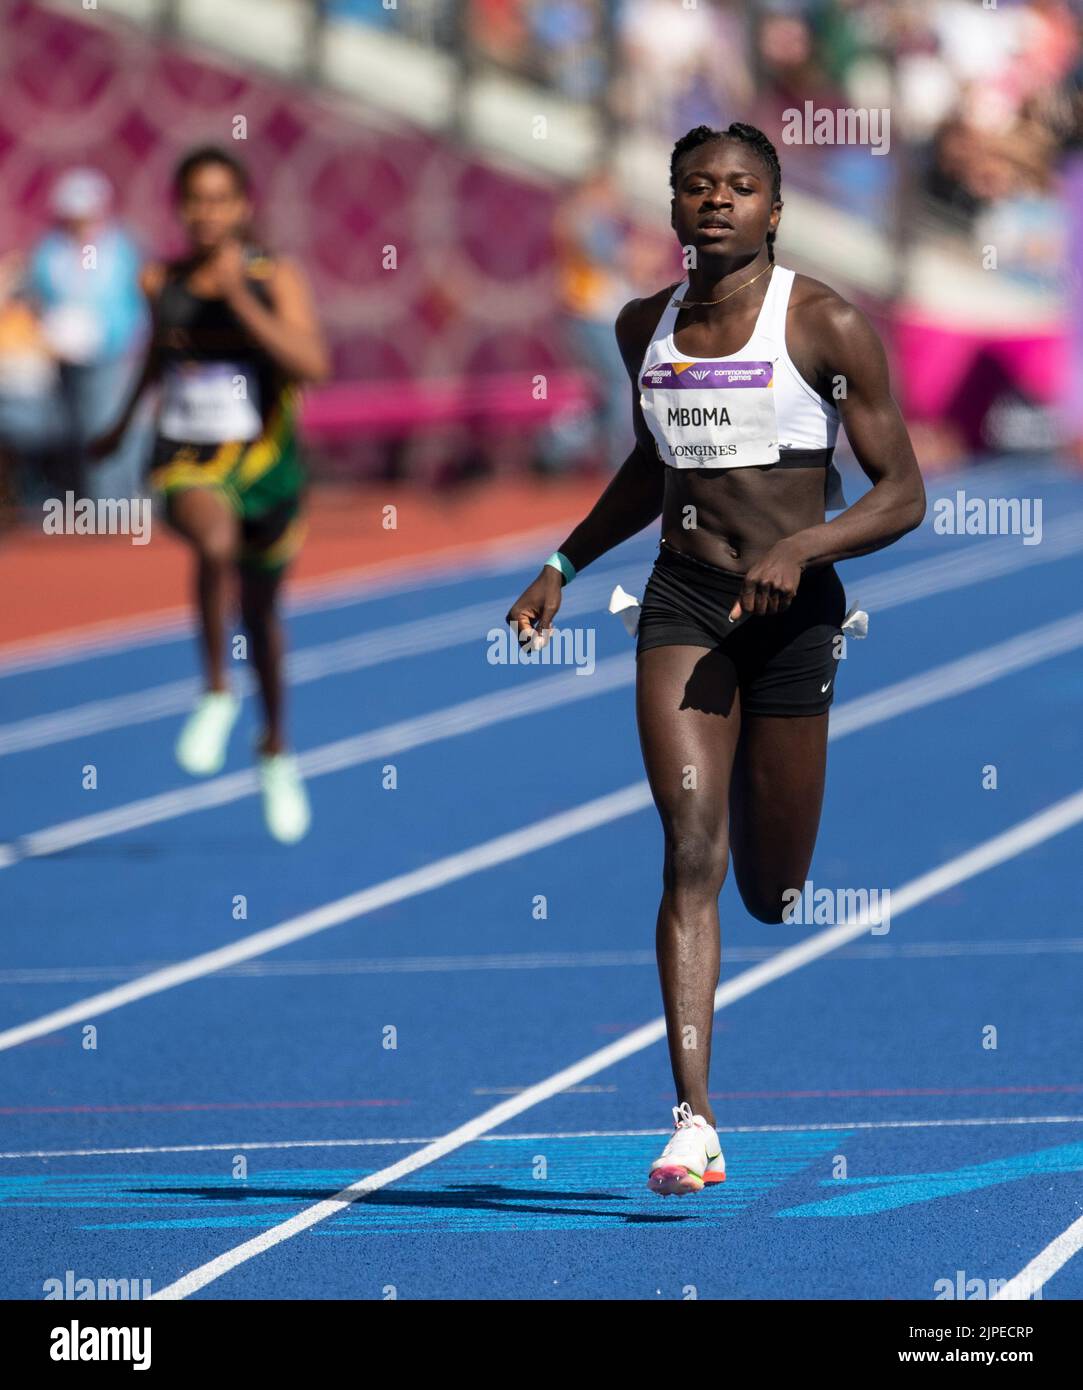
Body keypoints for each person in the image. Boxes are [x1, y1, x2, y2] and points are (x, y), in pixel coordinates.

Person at [505, 123, 925, 1194]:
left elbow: (902, 492)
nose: (719, 201)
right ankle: (694, 1117)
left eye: (741, 187)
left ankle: (758, 748)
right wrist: (563, 558)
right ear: (674, 206)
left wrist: (803, 545)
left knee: (772, 891)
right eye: (698, 187)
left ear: (775, 208)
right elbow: (651, 466)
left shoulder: (826, 323)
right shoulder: (643, 324)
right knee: (689, 843)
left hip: (794, 614)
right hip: (684, 599)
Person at [92, 146, 329, 844]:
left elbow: (311, 363)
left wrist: (236, 301)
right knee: (212, 537)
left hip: (268, 469)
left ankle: (276, 748)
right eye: (194, 199)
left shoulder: (273, 277)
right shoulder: (157, 277)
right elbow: (160, 355)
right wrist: (118, 427)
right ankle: (215, 692)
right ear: (179, 206)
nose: (206, 212)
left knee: (262, 621)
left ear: (242, 207)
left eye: (220, 199)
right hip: (187, 461)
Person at [27, 167, 148, 501]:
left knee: (111, 427)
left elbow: (139, 301)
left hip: (115, 357)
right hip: (66, 361)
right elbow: (38, 299)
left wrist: (130, 344)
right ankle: (91, 503)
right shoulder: (49, 252)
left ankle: (117, 505)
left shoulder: (122, 248)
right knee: (77, 431)